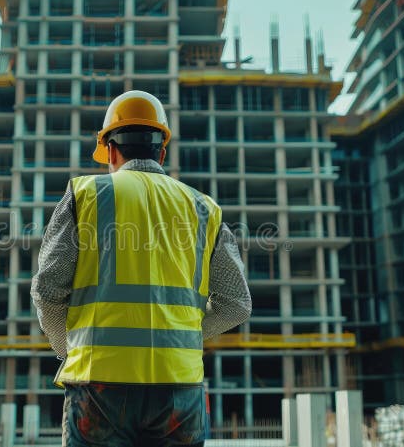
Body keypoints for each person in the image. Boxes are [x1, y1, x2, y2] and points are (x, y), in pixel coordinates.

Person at [31, 90, 251, 447]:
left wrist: (70, 349)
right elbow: (237, 303)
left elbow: (48, 291)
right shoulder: (204, 209)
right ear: (161, 152)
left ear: (111, 150)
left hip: (98, 384)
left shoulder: (84, 194)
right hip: (177, 387)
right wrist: (181, 336)